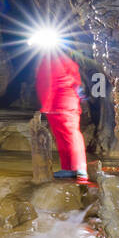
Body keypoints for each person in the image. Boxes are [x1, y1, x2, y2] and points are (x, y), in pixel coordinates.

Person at [36, 47, 90, 182]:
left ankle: (77, 168)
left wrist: (47, 104)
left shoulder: (54, 61)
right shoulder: (67, 62)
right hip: (64, 103)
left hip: (60, 104)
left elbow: (49, 83)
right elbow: (76, 84)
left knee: (68, 136)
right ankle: (70, 168)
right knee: (65, 136)